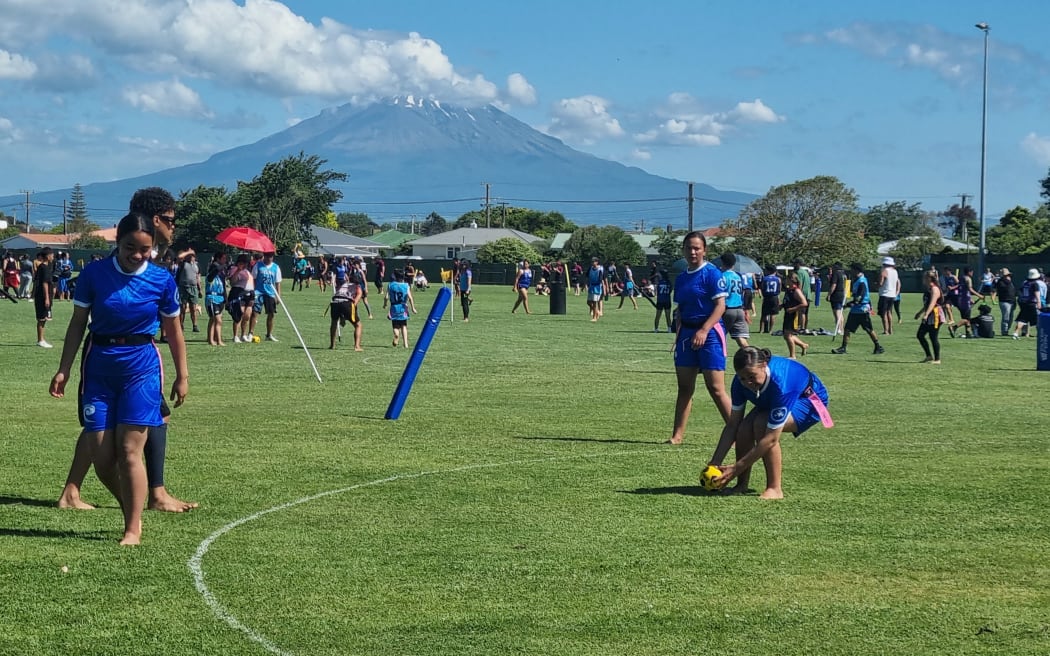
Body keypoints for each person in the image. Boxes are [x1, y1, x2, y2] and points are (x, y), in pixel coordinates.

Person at [49, 212, 189, 545]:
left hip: (141, 369)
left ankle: (133, 528)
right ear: (118, 242)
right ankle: (132, 504)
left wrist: (182, 375)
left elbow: (174, 330)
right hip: (99, 368)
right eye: (130, 247)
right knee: (101, 457)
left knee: (130, 450)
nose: (138, 255)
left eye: (145, 249)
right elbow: (77, 324)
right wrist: (64, 368)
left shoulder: (161, 279)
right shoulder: (94, 274)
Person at [704, 346, 831, 499]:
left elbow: (771, 439)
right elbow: (733, 424)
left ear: (764, 365)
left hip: (808, 400)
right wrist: (715, 462)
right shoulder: (739, 384)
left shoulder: (781, 385)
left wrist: (736, 468)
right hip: (772, 398)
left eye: (751, 376)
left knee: (762, 424)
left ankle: (775, 488)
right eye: (743, 378)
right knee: (743, 428)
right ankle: (741, 485)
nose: (748, 382)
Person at [668, 231, 731, 445]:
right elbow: (681, 309)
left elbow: (720, 306)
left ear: (705, 250)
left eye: (697, 248)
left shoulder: (712, 274)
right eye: (689, 248)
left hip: (710, 334)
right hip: (686, 335)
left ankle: (737, 432)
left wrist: (704, 330)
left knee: (715, 388)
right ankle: (677, 435)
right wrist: (678, 336)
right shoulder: (682, 277)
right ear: (683, 250)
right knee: (685, 388)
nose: (693, 251)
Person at [832, 263, 885, 355]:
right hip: (856, 310)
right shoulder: (857, 281)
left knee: (868, 329)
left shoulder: (862, 282)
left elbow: (860, 297)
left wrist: (848, 304)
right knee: (848, 329)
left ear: (856, 270)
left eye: (852, 270)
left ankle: (878, 346)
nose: (851, 271)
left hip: (861, 310)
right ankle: (843, 348)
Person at [719, 253, 749, 348]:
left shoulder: (722, 276)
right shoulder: (738, 276)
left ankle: (721, 357)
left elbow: (721, 294)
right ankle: (754, 358)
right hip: (739, 309)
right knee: (741, 339)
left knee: (719, 336)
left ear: (722, 263)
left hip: (727, 309)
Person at [914, 270, 944, 364]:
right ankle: (929, 356)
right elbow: (927, 304)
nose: (923, 279)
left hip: (935, 315)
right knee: (920, 335)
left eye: (924, 277)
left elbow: (933, 303)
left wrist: (926, 315)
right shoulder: (929, 289)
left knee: (933, 337)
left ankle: (937, 359)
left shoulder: (935, 289)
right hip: (929, 314)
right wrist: (920, 312)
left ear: (929, 278)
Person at [251, 251, 282, 341]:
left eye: (271, 256)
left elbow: (278, 283)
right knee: (255, 313)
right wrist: (253, 291)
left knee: (271, 314)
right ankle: (250, 333)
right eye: (267, 256)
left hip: (270, 293)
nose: (269, 258)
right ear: (264, 256)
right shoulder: (258, 265)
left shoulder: (276, 267)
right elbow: (253, 279)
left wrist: (278, 296)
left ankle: (268, 335)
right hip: (258, 292)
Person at [329, 268, 363, 350]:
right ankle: (357, 346)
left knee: (334, 323)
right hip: (346, 303)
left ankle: (332, 345)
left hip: (334, 302)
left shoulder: (344, 284)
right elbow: (355, 302)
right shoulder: (357, 287)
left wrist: (343, 317)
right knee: (358, 325)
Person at [780, 272, 810, 359]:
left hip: (793, 315)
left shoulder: (796, 291)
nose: (785, 281)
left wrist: (793, 309)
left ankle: (792, 355)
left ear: (791, 280)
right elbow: (788, 301)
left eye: (787, 279)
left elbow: (804, 303)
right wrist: (782, 306)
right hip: (788, 314)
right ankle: (803, 345)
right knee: (788, 335)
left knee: (788, 335)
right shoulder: (789, 290)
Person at [385, 269, 417, 347]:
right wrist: (413, 308)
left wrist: (385, 304)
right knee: (404, 325)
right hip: (403, 307)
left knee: (395, 325)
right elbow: (410, 297)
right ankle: (405, 343)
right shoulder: (406, 286)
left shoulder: (391, 285)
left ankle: (396, 335)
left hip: (394, 307)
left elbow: (386, 297)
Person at [1011, 269, 1044, 339]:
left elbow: (1020, 292)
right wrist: (1039, 302)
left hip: (1024, 303)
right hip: (1031, 303)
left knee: (1022, 319)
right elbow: (1037, 294)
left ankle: (1015, 333)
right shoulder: (1035, 284)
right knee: (1037, 320)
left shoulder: (1025, 283)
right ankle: (1041, 334)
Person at [955, 266, 985, 338]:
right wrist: (979, 295)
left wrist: (970, 299)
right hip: (965, 301)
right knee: (967, 319)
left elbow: (963, 290)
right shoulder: (968, 279)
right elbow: (970, 289)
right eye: (972, 272)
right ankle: (953, 327)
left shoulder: (961, 278)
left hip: (961, 299)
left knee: (965, 317)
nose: (972, 273)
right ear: (969, 272)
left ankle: (968, 333)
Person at [34, 248, 55, 347]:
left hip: (43, 295)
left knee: (44, 318)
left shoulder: (45, 267)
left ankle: (41, 339)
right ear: (47, 256)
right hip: (43, 296)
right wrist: (46, 298)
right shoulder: (44, 268)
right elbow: (44, 283)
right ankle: (40, 340)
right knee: (42, 318)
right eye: (52, 255)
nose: (53, 257)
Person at [176, 251, 202, 333]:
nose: (191, 257)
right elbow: (178, 258)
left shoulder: (196, 265)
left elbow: (197, 277)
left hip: (193, 288)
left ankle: (195, 325)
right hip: (184, 288)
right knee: (182, 308)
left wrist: (200, 289)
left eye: (192, 256)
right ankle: (181, 324)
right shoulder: (183, 264)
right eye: (189, 256)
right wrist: (187, 252)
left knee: (193, 308)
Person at [204, 262, 226, 346]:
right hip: (212, 299)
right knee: (216, 319)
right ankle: (216, 340)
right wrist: (222, 265)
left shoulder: (219, 278)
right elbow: (215, 270)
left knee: (215, 320)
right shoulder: (210, 277)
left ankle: (214, 339)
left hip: (220, 299)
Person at [877, 256, 900, 335]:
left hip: (884, 294)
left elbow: (880, 283)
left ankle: (886, 330)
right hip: (892, 295)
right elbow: (898, 283)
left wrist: (875, 285)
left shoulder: (884, 271)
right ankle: (890, 329)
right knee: (889, 312)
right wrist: (896, 291)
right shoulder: (895, 272)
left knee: (883, 313)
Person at [759, 264, 781, 334]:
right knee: (773, 314)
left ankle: (761, 330)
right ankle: (770, 330)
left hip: (767, 297)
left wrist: (763, 295)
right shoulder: (778, 279)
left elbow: (762, 288)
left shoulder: (765, 278)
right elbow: (779, 290)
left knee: (764, 314)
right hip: (774, 297)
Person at [826, 261, 846, 337]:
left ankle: (839, 329)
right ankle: (842, 328)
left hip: (836, 294)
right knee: (841, 312)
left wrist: (829, 294)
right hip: (842, 294)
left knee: (836, 312)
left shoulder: (836, 273)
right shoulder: (843, 274)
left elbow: (834, 285)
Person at [995, 268, 1016, 336]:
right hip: (1005, 301)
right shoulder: (1000, 282)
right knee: (1006, 318)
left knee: (1011, 318)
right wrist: (1007, 281)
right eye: (1007, 275)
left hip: (1012, 301)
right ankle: (1004, 332)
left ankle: (1007, 329)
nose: (1009, 276)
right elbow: (1003, 289)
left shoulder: (1010, 282)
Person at [793, 260, 811, 331]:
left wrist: (797, 294)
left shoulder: (799, 272)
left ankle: (801, 327)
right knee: (806, 313)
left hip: (802, 295)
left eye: (794, 263)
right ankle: (805, 327)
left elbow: (799, 284)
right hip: (808, 294)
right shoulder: (805, 272)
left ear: (798, 264)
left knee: (802, 312)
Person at [586, 257, 606, 322]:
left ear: (597, 262)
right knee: (588, 302)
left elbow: (602, 279)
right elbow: (587, 277)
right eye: (592, 262)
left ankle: (594, 317)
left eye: (593, 261)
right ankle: (597, 312)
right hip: (591, 286)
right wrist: (585, 285)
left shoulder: (600, 269)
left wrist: (605, 289)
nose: (592, 263)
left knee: (594, 302)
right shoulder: (590, 268)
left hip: (597, 287)